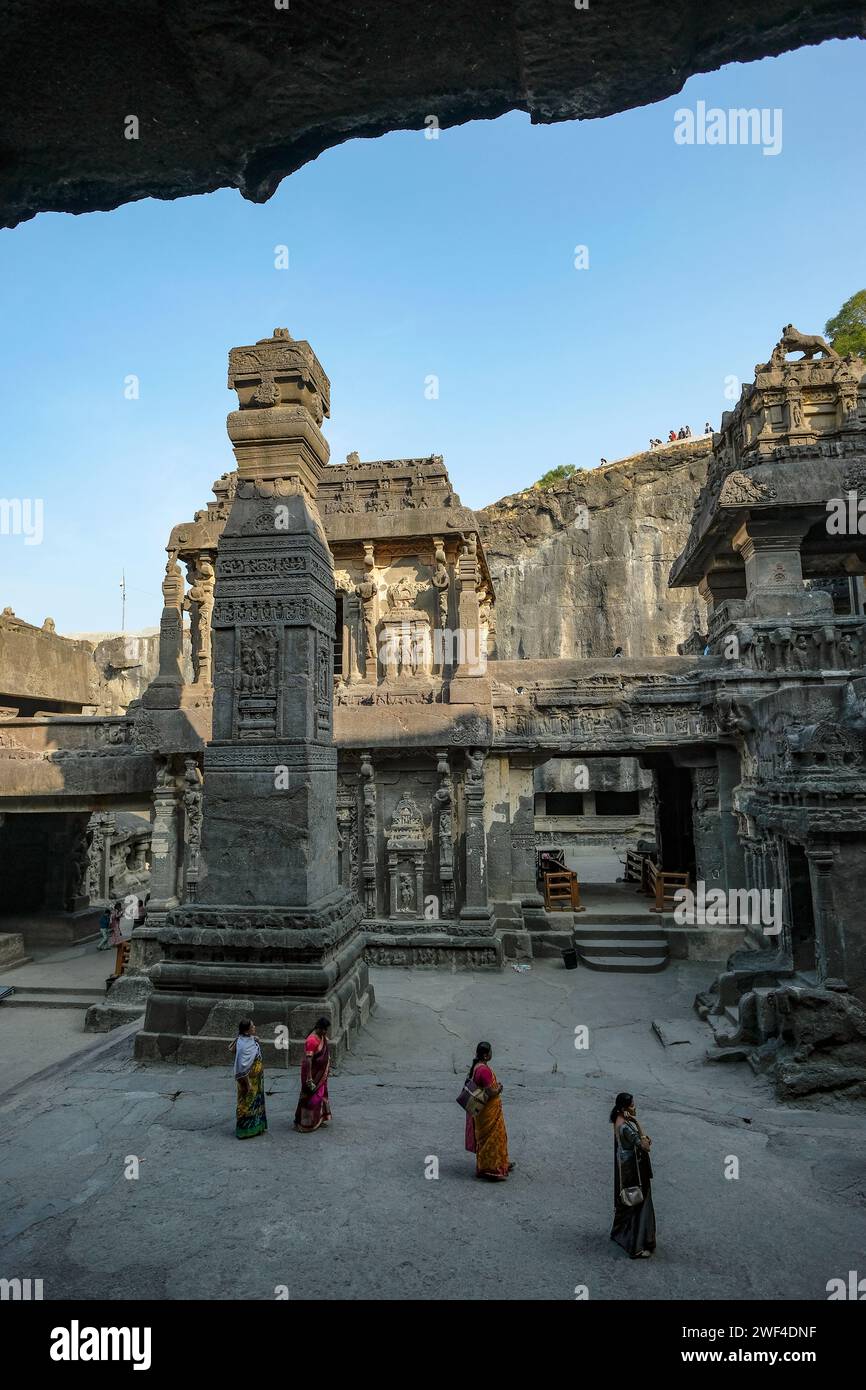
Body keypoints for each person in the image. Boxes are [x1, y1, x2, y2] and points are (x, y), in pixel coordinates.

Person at [610, 1091, 656, 1258]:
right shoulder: (626, 1126)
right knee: (640, 1203)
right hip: (636, 1169)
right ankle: (637, 1246)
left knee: (628, 1201)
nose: (635, 1107)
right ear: (625, 1108)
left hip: (625, 1166)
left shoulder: (618, 1120)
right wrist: (637, 1123)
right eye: (632, 1105)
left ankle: (619, 1232)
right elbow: (645, 1146)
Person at [464, 1041, 512, 1181]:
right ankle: (492, 1169)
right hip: (488, 1112)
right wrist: (499, 1089)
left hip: (483, 1112)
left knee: (486, 1139)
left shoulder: (477, 1067)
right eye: (490, 1052)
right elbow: (490, 1091)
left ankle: (497, 1163)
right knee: (493, 1138)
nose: (492, 1054)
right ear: (486, 1055)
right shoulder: (483, 1070)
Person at [231, 1019, 268, 1139]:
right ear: (247, 1030)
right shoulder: (242, 1046)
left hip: (256, 1078)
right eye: (252, 1026)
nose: (254, 1027)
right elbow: (242, 1067)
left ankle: (256, 1127)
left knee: (256, 1103)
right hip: (248, 1081)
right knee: (246, 1103)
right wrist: (247, 1084)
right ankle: (244, 1130)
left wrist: (254, 1038)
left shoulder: (247, 1039)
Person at [294, 1016, 332, 1133]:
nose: (325, 1032)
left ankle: (318, 1119)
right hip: (312, 1074)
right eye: (324, 1029)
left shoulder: (321, 1037)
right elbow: (309, 1060)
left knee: (321, 1095)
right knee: (310, 1098)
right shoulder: (311, 1040)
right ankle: (305, 1123)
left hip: (321, 1074)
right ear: (318, 1028)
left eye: (326, 1030)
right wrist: (309, 1078)